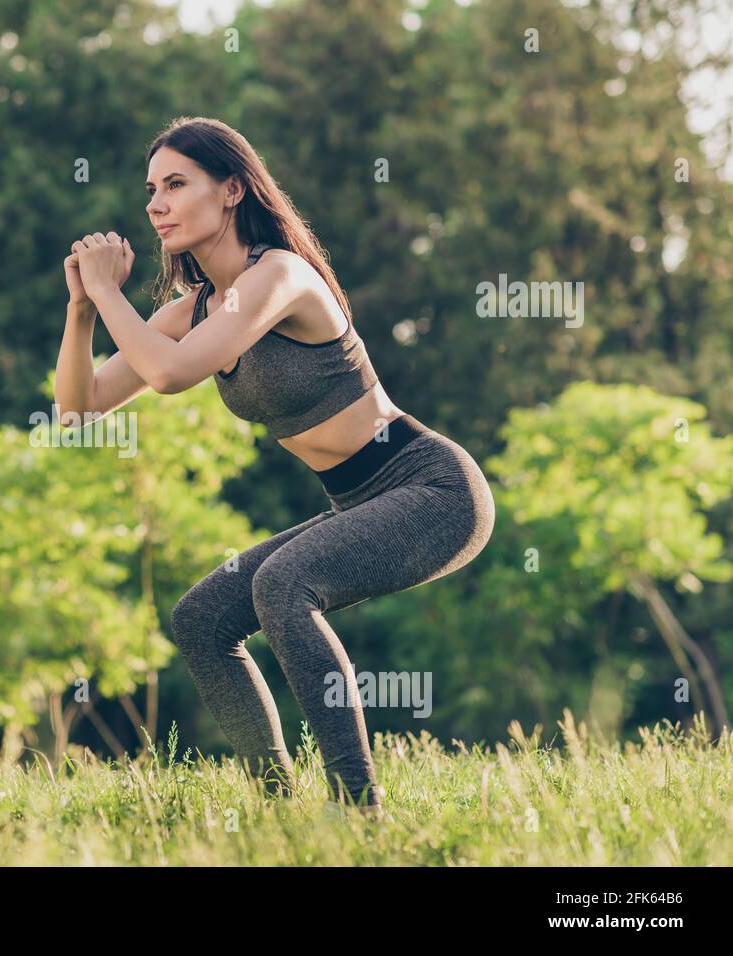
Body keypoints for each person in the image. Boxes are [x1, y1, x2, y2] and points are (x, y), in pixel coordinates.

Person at [53, 117, 495, 818]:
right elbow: (78, 411)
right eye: (150, 190)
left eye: (175, 184)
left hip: (430, 488)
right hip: (354, 502)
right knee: (202, 619)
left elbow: (168, 376)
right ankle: (276, 811)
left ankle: (360, 811)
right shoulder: (191, 308)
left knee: (285, 585)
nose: (156, 205)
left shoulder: (280, 275)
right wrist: (81, 309)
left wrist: (110, 294)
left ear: (231, 190)